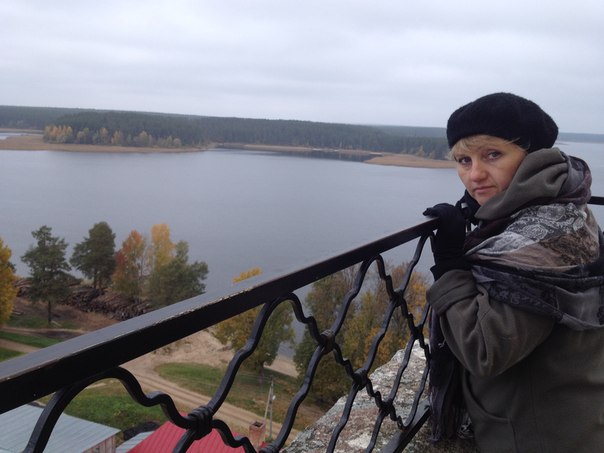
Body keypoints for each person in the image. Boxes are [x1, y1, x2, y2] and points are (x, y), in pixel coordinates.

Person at [423, 92, 604, 452]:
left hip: (536, 435)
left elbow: (485, 349)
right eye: (463, 160)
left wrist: (449, 267)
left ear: (532, 156)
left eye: (493, 155)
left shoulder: (540, 239)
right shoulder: (563, 207)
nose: (474, 175)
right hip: (570, 411)